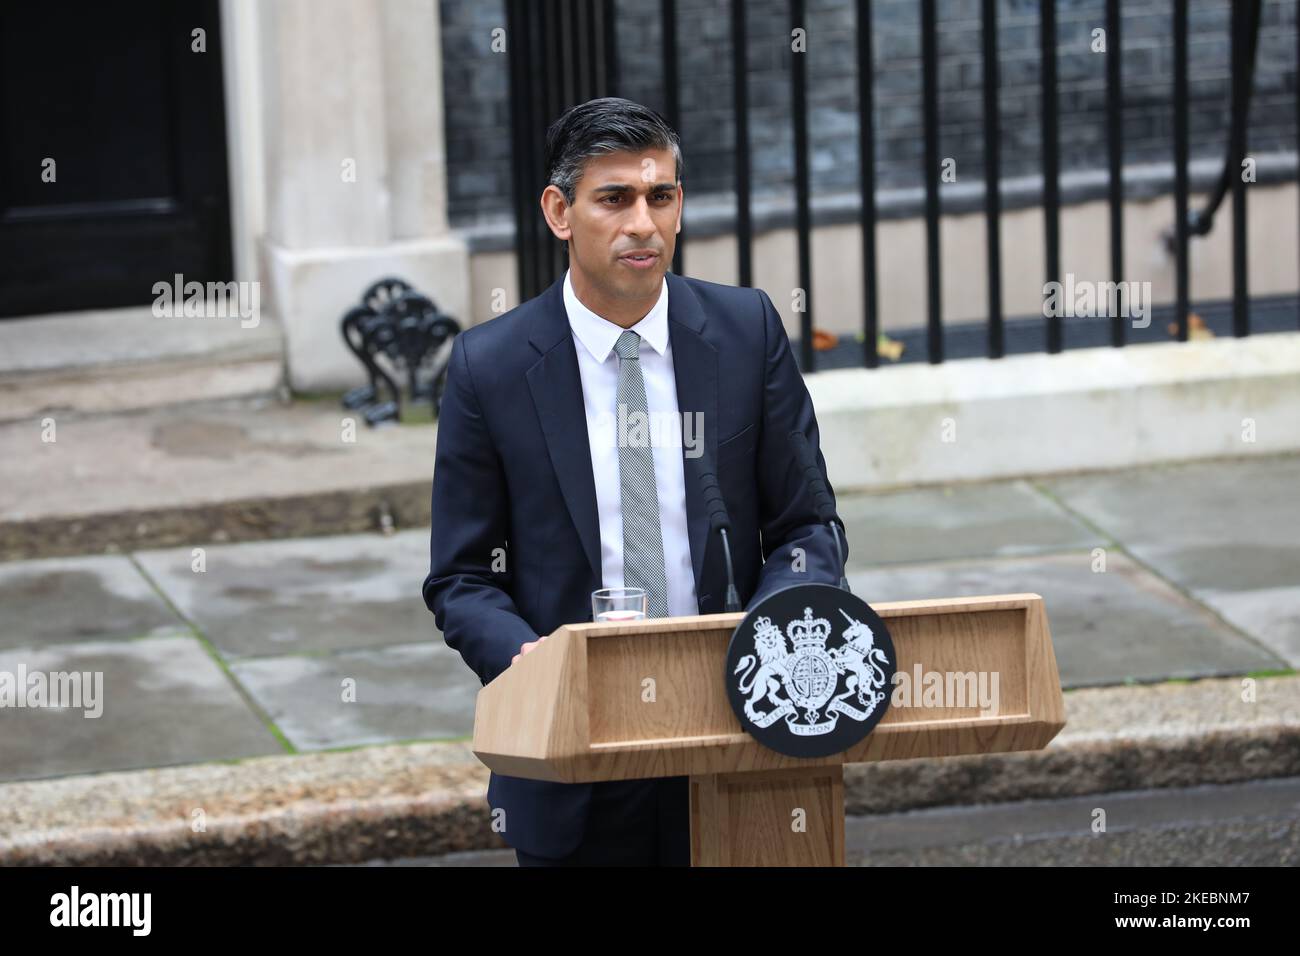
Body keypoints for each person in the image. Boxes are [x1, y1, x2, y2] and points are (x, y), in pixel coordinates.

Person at [422, 97, 848, 867]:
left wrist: (771, 638)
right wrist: (534, 667)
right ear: (560, 212)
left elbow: (806, 529)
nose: (643, 224)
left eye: (662, 197)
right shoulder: (490, 369)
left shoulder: (746, 332)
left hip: (730, 735)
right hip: (577, 751)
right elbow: (460, 577)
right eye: (614, 199)